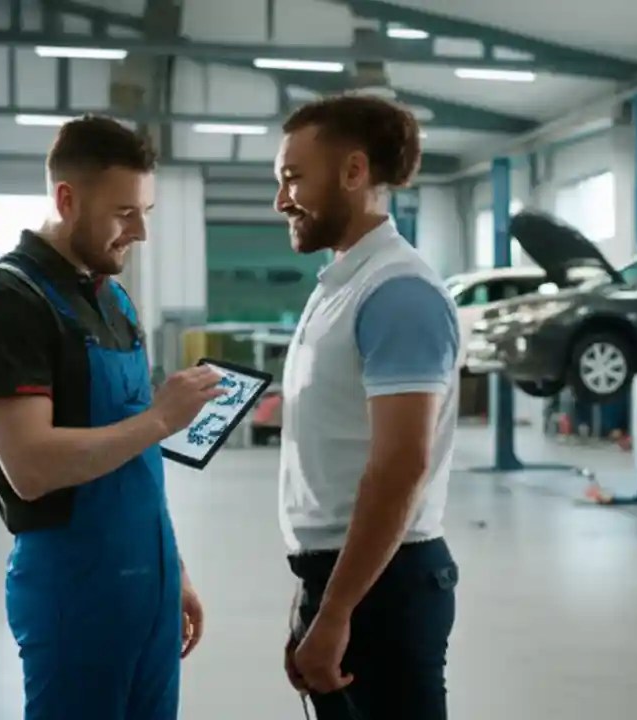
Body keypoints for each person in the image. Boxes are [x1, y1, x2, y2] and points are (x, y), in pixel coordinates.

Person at [0, 114, 221, 719]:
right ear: (67, 199)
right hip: (76, 593)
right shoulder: (6, 303)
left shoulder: (110, 296)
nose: (141, 232)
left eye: (145, 210)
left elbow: (137, 461)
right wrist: (161, 418)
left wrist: (172, 569)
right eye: (125, 213)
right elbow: (31, 466)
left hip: (145, 582)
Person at [274, 94, 462, 719]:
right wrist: (312, 603)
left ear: (354, 172)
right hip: (346, 578)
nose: (282, 201)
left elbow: (401, 465)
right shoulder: (343, 285)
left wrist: (336, 612)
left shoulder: (397, 291)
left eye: (294, 178)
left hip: (385, 585)